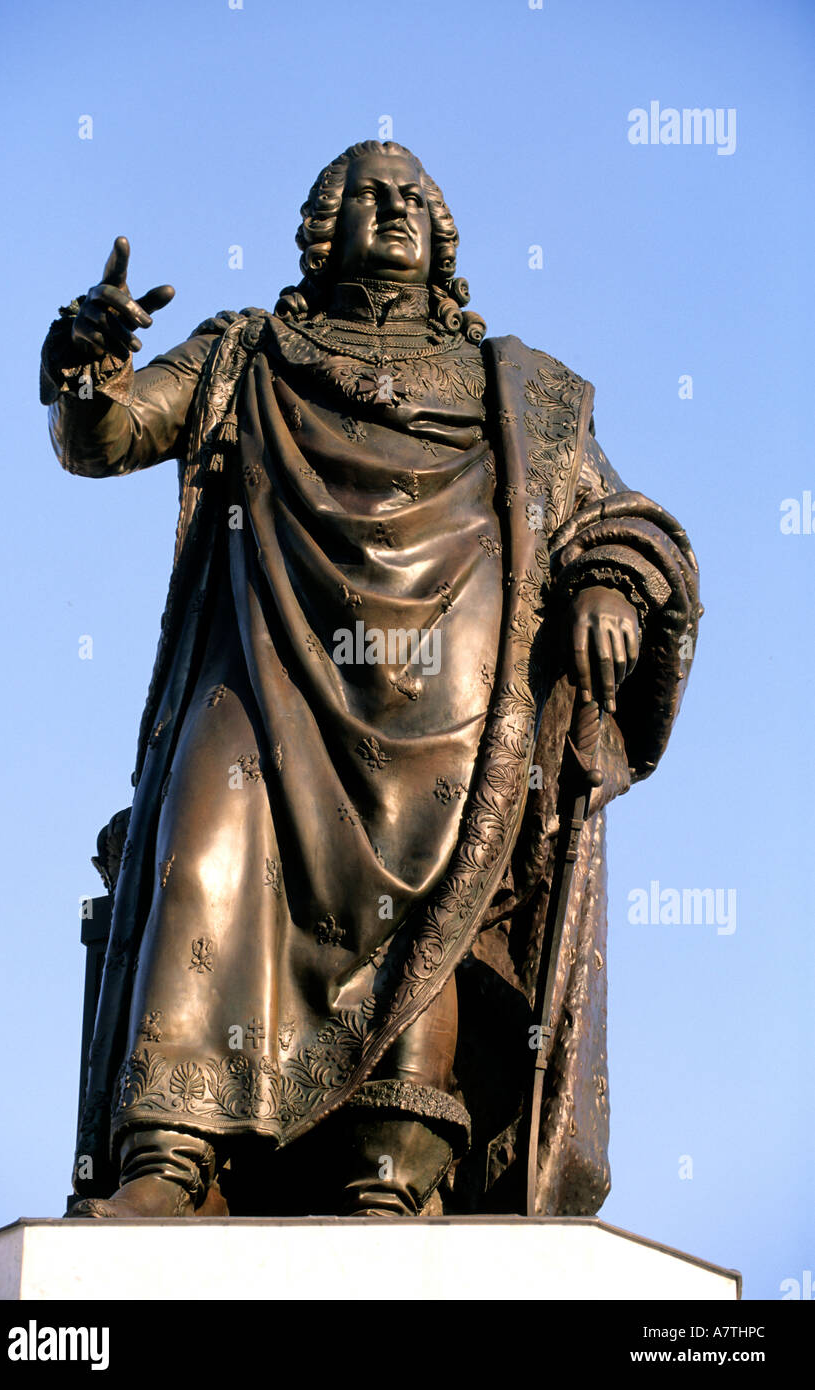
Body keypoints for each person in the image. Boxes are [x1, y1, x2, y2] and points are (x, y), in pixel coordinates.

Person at [41, 140, 699, 1219]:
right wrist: (85, 366)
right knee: (201, 853)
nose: (392, 209)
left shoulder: (520, 391)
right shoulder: (243, 353)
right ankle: (166, 1153)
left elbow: (614, 517)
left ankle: (386, 1173)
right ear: (320, 226)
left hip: (452, 705)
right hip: (261, 676)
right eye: (365, 194)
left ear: (442, 236)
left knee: (435, 892)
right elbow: (105, 434)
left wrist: (614, 586)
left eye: (414, 197)